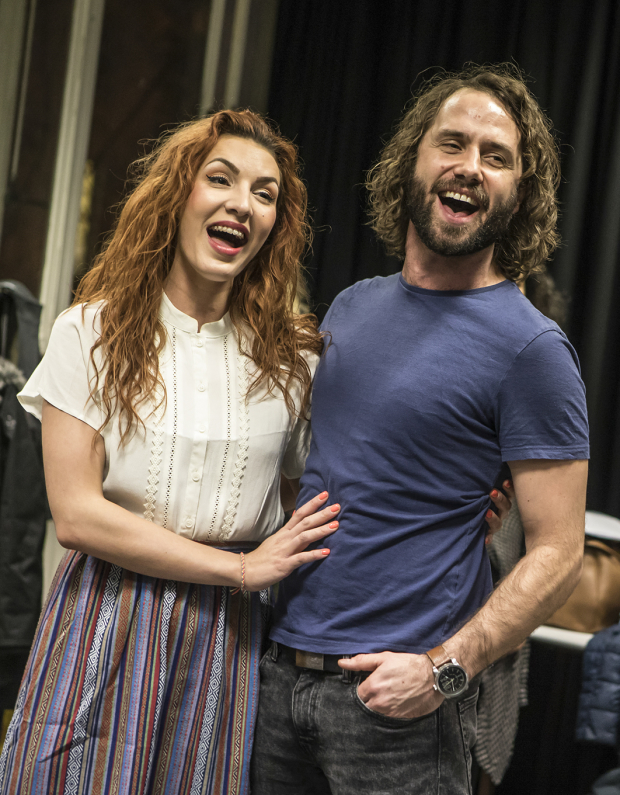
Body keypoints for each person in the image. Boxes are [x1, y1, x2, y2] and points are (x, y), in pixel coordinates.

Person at [251, 63, 590, 795]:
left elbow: (559, 551)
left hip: (398, 708)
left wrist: (445, 669)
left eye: (496, 156)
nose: (470, 166)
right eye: (453, 143)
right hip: (279, 680)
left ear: (519, 192)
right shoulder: (348, 308)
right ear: (414, 160)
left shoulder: (533, 349)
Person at [0, 110, 344, 795]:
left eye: (265, 193)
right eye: (221, 178)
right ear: (178, 194)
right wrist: (242, 568)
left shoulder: (294, 360)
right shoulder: (89, 332)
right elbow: (77, 515)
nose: (241, 203)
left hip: (223, 640)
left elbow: (306, 492)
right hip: (104, 614)